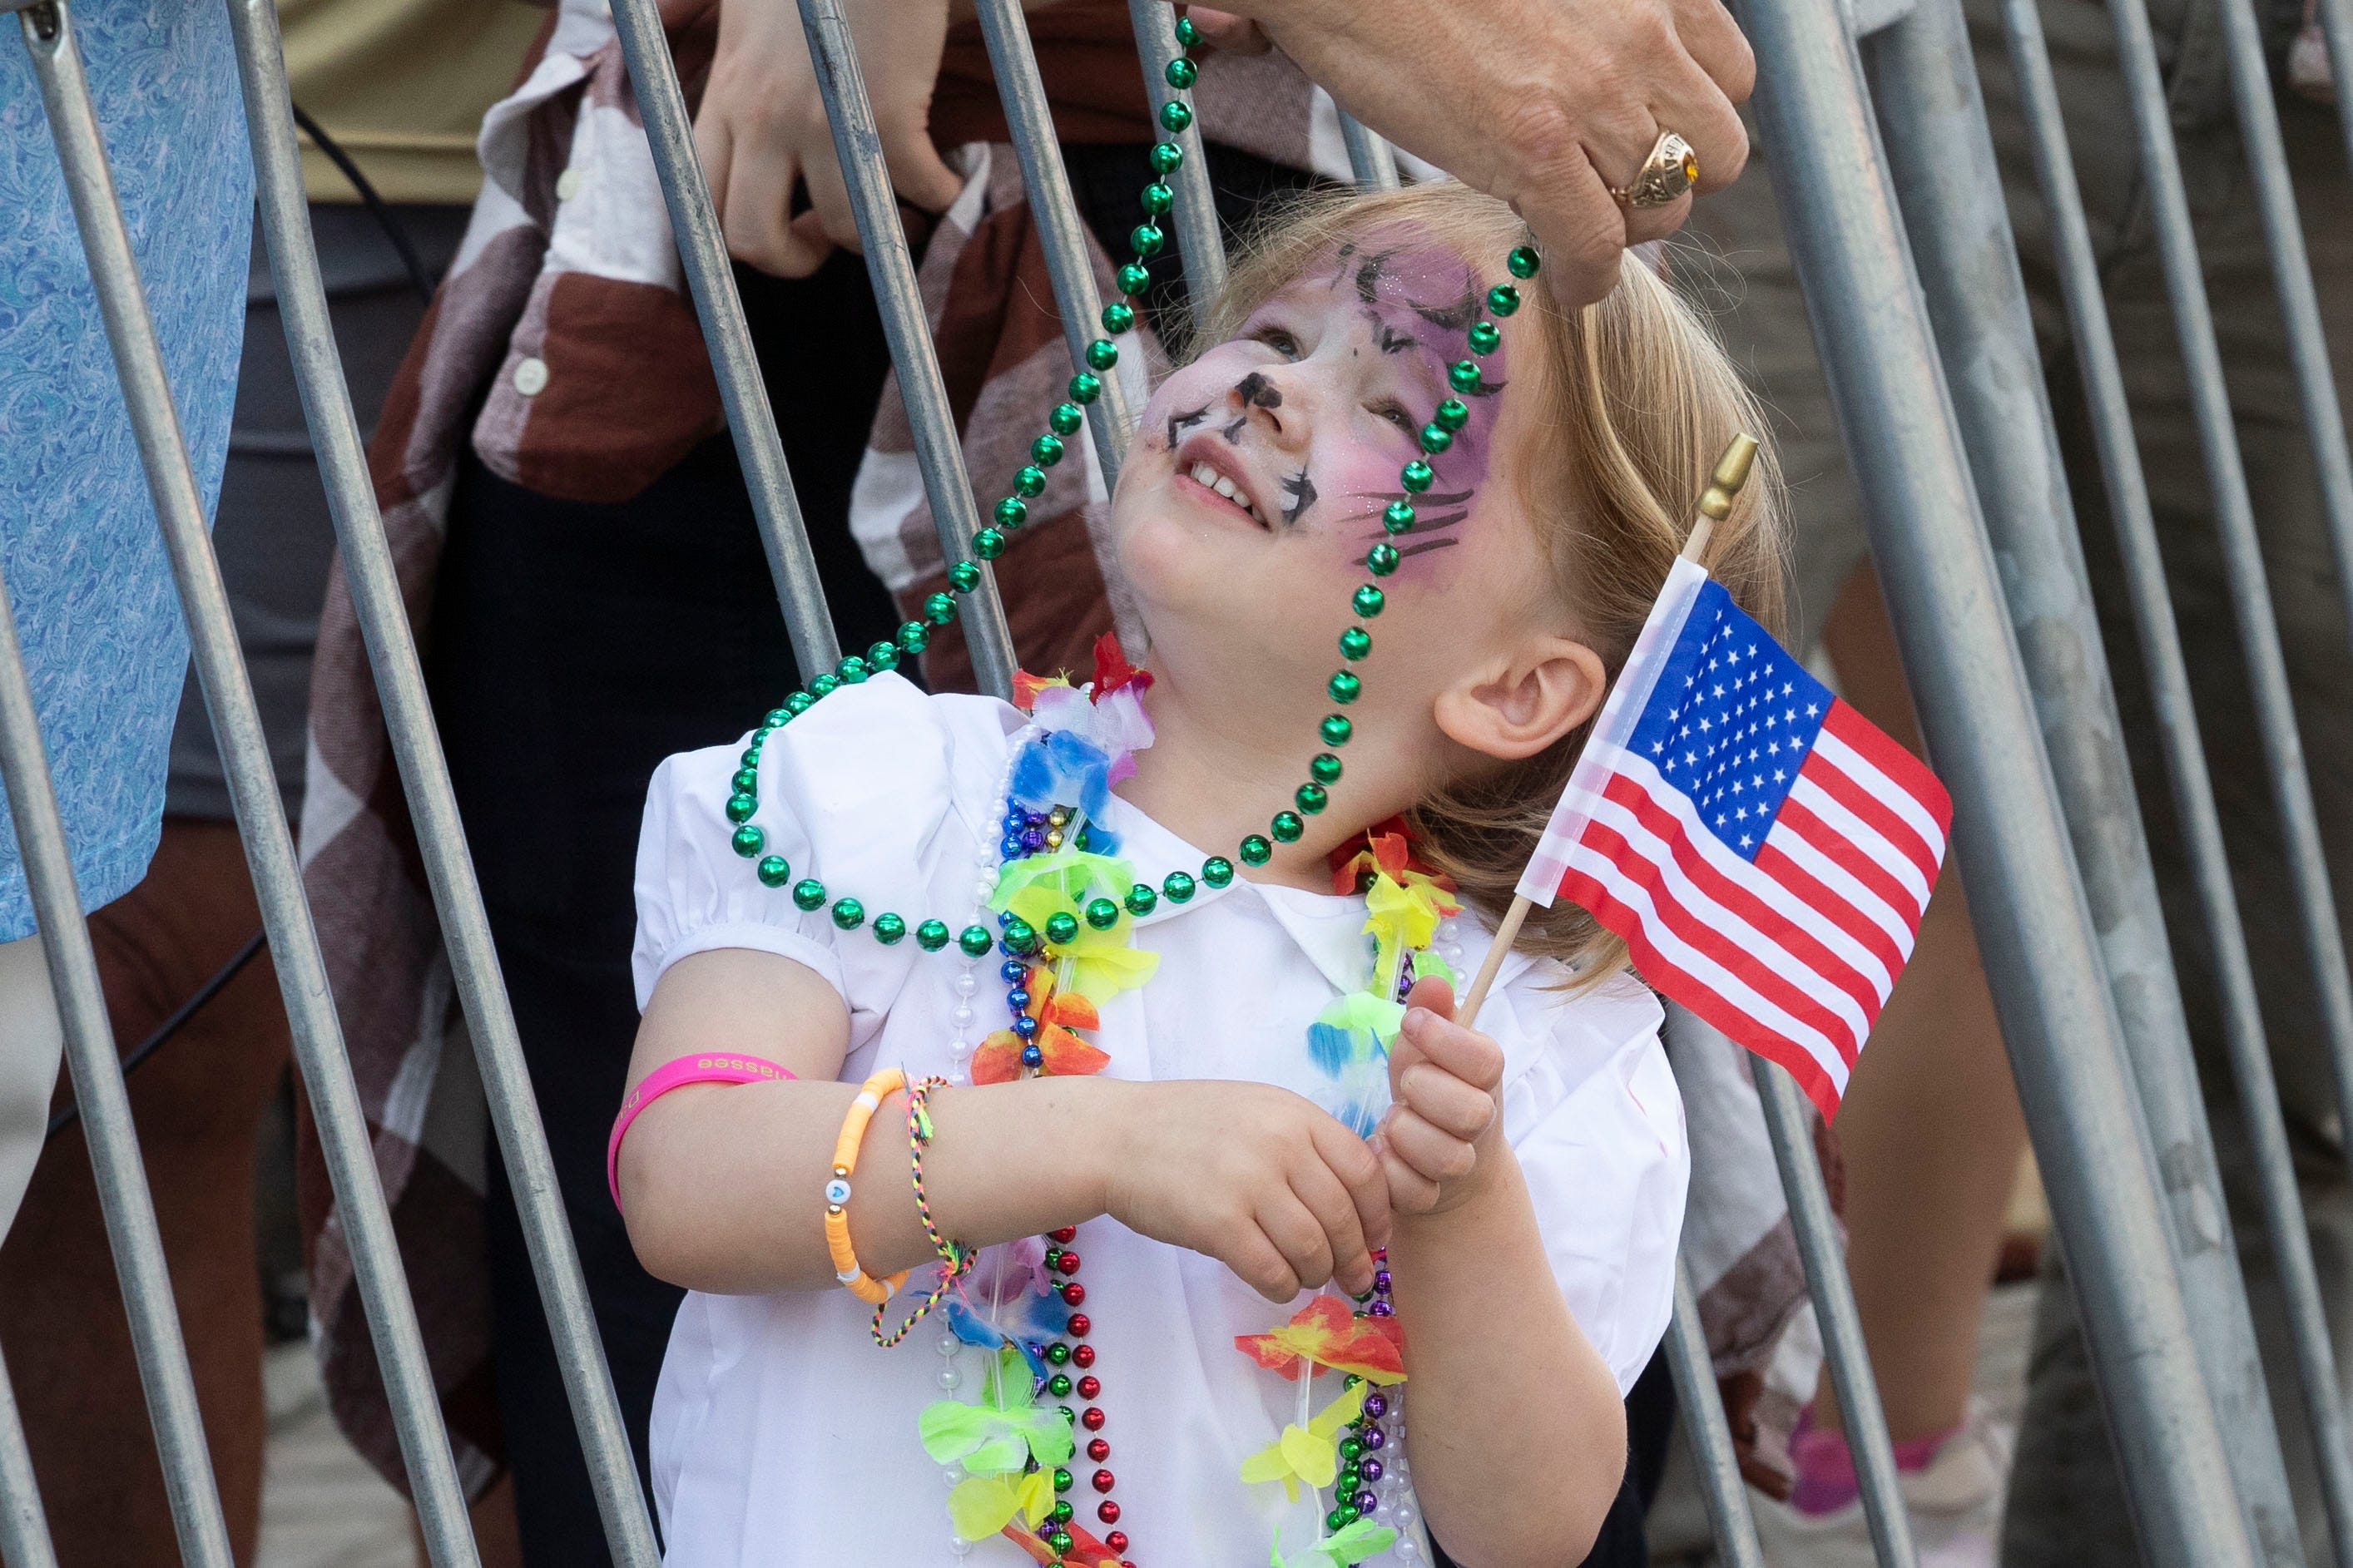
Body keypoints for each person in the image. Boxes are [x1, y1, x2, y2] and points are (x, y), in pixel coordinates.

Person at [608, 179, 1782, 1566]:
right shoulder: (893, 793)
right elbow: (683, 1175)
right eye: (1275, 336)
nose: (1273, 393)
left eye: (1398, 413)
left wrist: (1459, 1216)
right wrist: (1107, 1140)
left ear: (1519, 690)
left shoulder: (1510, 1032)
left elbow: (1532, 1526)